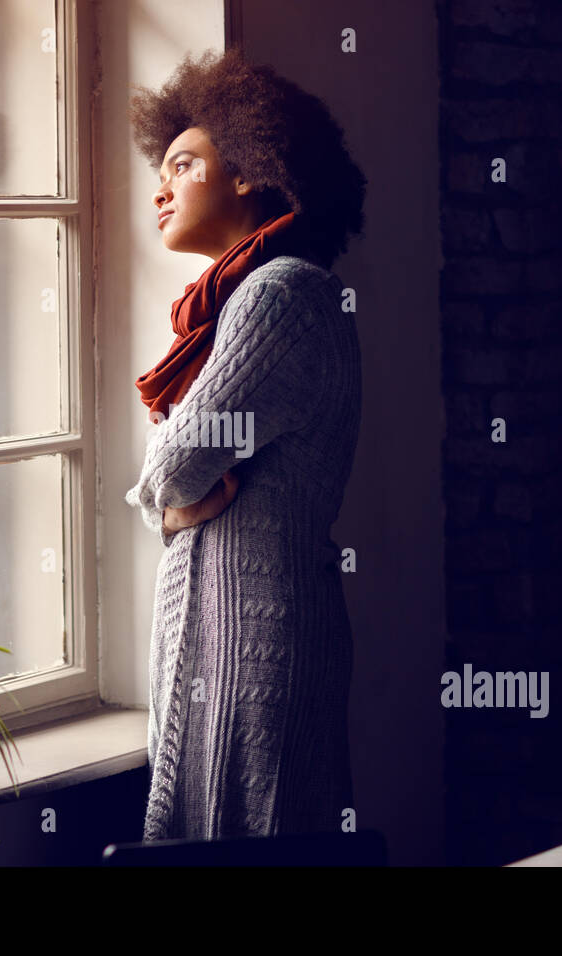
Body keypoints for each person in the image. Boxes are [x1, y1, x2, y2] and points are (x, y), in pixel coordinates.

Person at [123, 48, 367, 842]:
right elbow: (174, 488)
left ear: (249, 172)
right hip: (221, 634)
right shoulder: (230, 305)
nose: (160, 188)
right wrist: (169, 515)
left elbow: (177, 464)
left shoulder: (280, 295)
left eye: (183, 164)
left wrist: (166, 500)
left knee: (255, 841)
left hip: (257, 642)